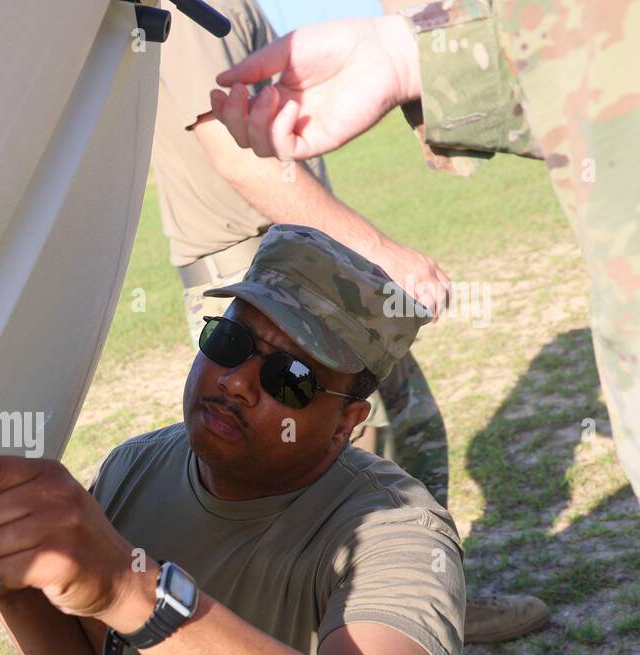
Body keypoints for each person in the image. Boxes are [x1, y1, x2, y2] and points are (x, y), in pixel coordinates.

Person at [0, 225, 506, 655]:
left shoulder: (396, 525)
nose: (238, 381)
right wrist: (9, 578)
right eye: (229, 339)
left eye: (290, 378)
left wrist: (137, 591)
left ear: (347, 424)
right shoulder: (137, 469)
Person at [150, 0, 547, 643]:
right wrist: (380, 251)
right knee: (332, 468)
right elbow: (232, 150)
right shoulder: (195, 7)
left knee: (394, 430)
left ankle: (428, 602)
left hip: (290, 255)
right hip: (260, 266)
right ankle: (366, 640)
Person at [206, 0, 640, 509]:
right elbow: (232, 151)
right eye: (222, 342)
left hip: (310, 269)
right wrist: (406, 59)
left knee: (376, 455)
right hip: (268, 275)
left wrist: (407, 58)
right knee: (301, 491)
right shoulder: (201, 13)